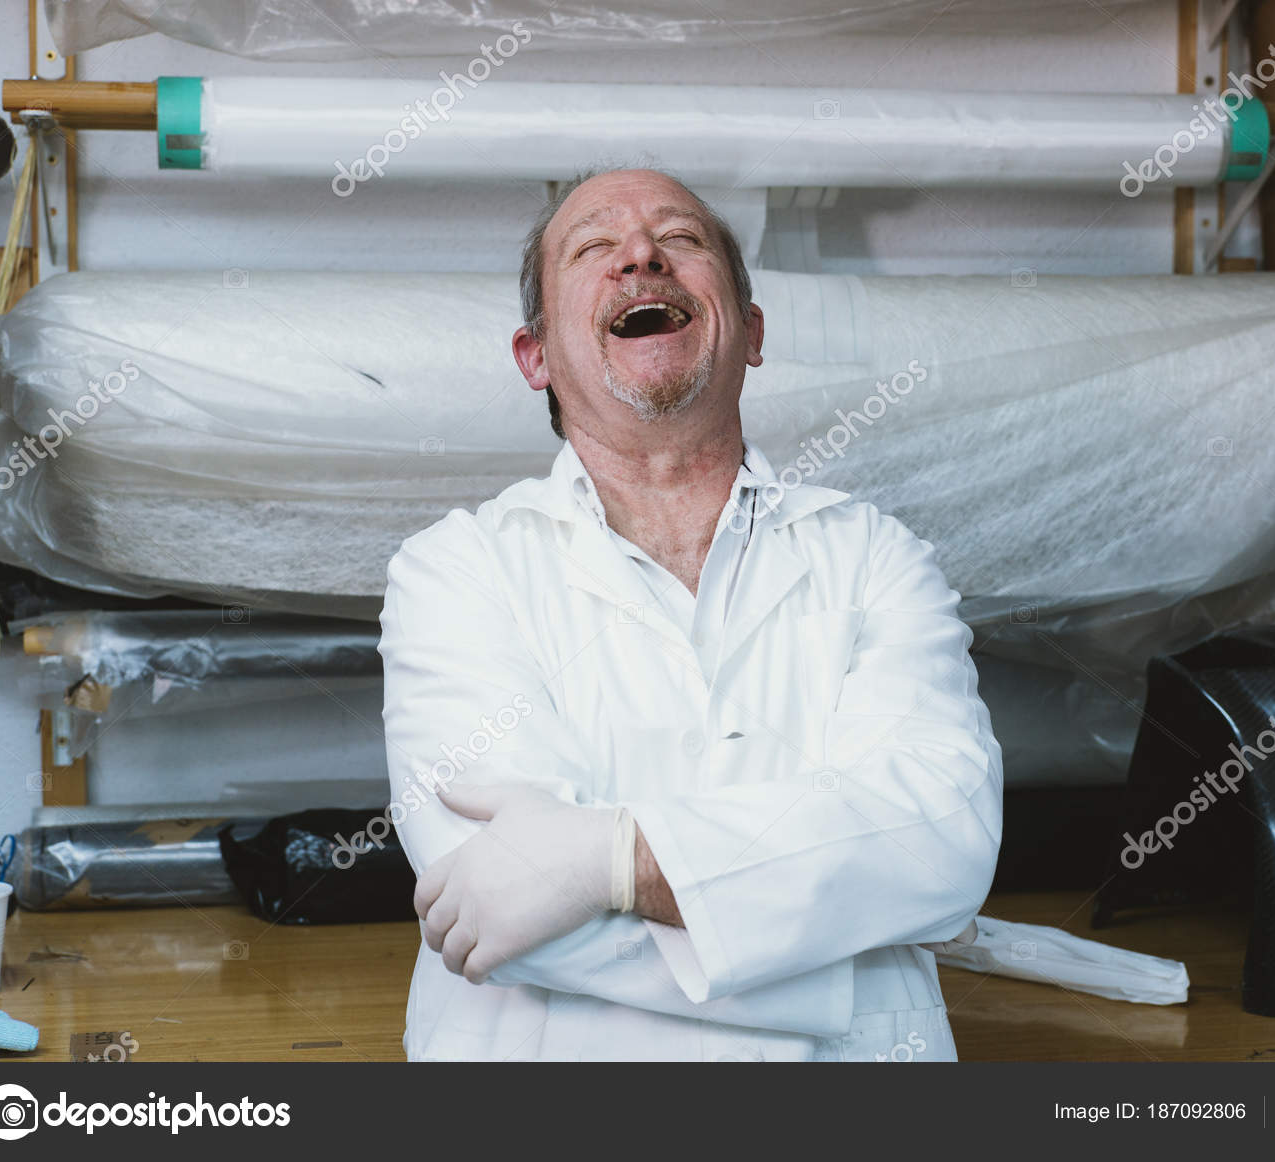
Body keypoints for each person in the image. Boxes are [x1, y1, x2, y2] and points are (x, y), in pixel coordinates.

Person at [377, 167, 1003, 1061]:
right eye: (595, 247)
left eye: (683, 240)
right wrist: (840, 946)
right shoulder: (456, 571)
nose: (641, 255)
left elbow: (943, 847)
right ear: (537, 356)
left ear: (750, 332)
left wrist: (611, 859)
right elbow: (488, 898)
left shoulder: (876, 559)